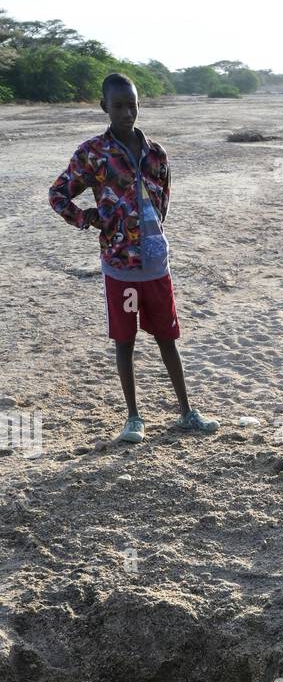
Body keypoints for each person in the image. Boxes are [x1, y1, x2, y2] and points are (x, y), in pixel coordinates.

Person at [48, 72, 218, 444]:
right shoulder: (93, 153)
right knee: (125, 341)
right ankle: (133, 418)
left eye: (133, 105)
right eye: (119, 106)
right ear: (104, 106)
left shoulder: (156, 153)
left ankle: (187, 412)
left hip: (156, 264)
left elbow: (163, 203)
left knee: (167, 338)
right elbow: (58, 194)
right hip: (119, 267)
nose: (127, 113)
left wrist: (149, 234)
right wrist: (87, 219)